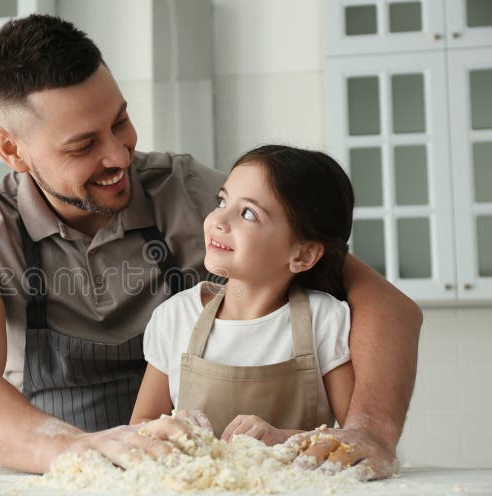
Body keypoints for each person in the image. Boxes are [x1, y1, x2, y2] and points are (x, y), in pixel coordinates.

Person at [0, 14, 422, 476]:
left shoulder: (195, 197)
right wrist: (77, 450)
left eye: (120, 122)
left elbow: (388, 306)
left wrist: (368, 433)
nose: (119, 155)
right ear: (12, 150)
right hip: (58, 482)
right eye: (83, 145)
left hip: (194, 482)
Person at [131, 145, 356, 454]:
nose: (218, 220)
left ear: (302, 254)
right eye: (221, 201)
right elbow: (139, 426)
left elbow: (357, 440)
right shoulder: (176, 316)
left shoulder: (326, 320)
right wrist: (172, 430)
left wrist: (282, 439)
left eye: (248, 213)